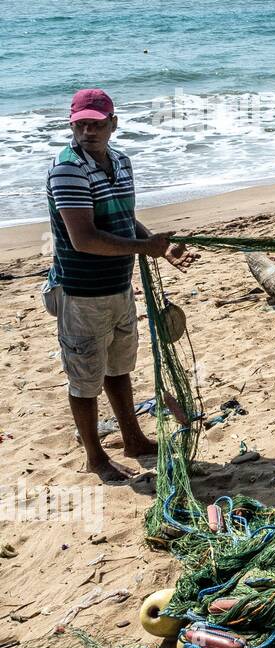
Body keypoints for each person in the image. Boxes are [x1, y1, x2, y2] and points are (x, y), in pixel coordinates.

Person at [44, 89, 196, 481]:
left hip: (119, 286)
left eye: (96, 123)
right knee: (84, 379)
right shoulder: (68, 169)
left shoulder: (121, 163)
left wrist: (159, 250)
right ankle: (95, 457)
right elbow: (84, 239)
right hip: (81, 291)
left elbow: (124, 219)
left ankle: (133, 439)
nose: (89, 130)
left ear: (113, 124)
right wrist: (145, 247)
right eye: (81, 124)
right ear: (72, 124)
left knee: (118, 367)